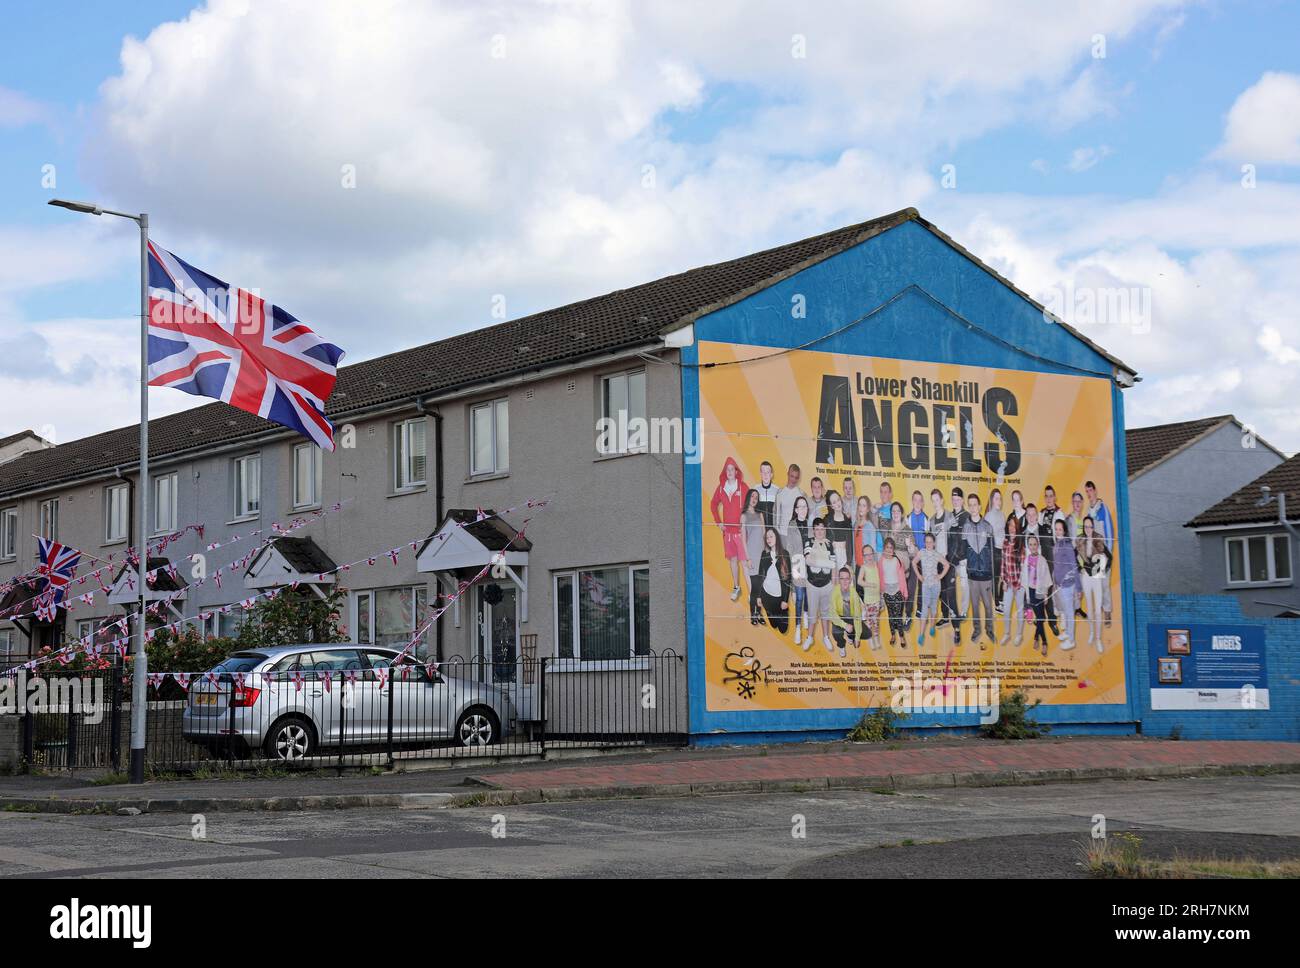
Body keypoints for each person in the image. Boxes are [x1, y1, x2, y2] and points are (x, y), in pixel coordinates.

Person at [709, 457, 748, 601]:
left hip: (740, 532)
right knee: (733, 560)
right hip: (728, 532)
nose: (730, 471)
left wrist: (745, 521)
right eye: (728, 469)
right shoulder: (721, 488)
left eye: (732, 469)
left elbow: (750, 505)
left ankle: (752, 593)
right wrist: (718, 522)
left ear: (736, 471)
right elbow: (713, 504)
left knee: (744, 562)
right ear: (725, 472)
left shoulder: (743, 487)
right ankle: (736, 587)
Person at [962, 492, 996, 648]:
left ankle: (989, 630)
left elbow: (992, 551)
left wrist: (992, 572)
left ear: (980, 506)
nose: (973, 507)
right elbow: (963, 550)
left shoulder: (988, 527)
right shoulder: (965, 527)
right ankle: (976, 630)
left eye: (975, 504)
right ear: (968, 507)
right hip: (972, 575)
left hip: (986, 575)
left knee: (988, 606)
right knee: (975, 605)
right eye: (970, 505)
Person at [1076, 515, 1112, 653]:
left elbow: (1109, 557)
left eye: (1090, 526)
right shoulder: (1080, 539)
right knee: (1089, 608)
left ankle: (1098, 639)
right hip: (1086, 577)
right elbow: (1074, 556)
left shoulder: (1099, 538)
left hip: (1097, 576)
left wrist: (1103, 569)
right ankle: (1092, 632)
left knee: (1097, 610)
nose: (1088, 529)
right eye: (1085, 526)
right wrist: (1080, 569)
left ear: (1093, 526)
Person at [1027, 502, 1060, 637]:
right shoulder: (1023, 532)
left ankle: (1052, 622)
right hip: (1030, 571)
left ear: (1037, 516)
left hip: (1043, 569)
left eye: (1033, 514)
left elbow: (1050, 550)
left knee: (1048, 598)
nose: (1031, 517)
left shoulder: (1044, 530)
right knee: (1034, 597)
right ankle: (1040, 617)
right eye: (1028, 515)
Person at [911, 531, 949, 647]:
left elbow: (946, 565)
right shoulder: (921, 552)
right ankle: (921, 635)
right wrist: (919, 576)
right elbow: (913, 562)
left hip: (936, 586)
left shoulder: (937, 554)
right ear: (924, 543)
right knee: (924, 609)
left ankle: (932, 626)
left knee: (933, 607)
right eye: (926, 542)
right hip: (926, 586)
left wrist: (940, 576)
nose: (928, 544)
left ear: (934, 543)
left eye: (930, 542)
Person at [803, 518, 836, 653]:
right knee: (812, 613)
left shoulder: (829, 545)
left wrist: (833, 583)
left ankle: (826, 637)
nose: (820, 532)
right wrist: (827, 563)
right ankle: (810, 637)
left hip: (827, 585)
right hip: (812, 585)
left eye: (822, 529)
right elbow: (808, 560)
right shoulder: (809, 542)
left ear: (825, 530)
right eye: (817, 529)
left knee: (825, 613)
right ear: (813, 530)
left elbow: (834, 566)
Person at [1085, 480, 1115, 627]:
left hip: (1104, 554)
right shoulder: (1088, 512)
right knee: (1096, 585)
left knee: (1104, 584)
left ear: (1095, 491)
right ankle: (1099, 611)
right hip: (1094, 556)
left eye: (1090, 490)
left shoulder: (1103, 509)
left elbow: (1110, 531)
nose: (1089, 494)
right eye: (1087, 492)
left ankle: (1107, 611)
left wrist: (1108, 553)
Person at [786, 496, 812, 647]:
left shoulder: (810, 525)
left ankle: (807, 614)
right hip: (797, 563)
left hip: (810, 563)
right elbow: (789, 550)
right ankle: (797, 627)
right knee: (799, 596)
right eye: (800, 507)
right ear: (796, 510)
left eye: (805, 506)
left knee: (808, 593)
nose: (803, 509)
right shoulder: (791, 525)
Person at [1051, 518, 1080, 650]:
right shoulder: (1057, 545)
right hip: (1061, 585)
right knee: (1067, 611)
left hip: (1069, 585)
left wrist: (1078, 587)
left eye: (1060, 529)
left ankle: (1072, 640)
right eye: (1056, 529)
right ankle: (1067, 633)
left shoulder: (1067, 545)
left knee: (1069, 612)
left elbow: (1074, 566)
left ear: (1064, 530)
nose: (1058, 531)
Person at [756, 528, 792, 633]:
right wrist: (758, 596)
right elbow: (760, 575)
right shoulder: (764, 554)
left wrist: (785, 600)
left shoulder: (784, 554)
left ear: (777, 537)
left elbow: (788, 578)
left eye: (771, 536)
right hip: (766, 595)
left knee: (783, 629)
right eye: (767, 537)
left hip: (780, 597)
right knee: (773, 624)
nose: (769, 539)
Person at [998, 513, 1026, 646]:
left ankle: (1019, 634)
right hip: (1008, 583)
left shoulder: (1020, 543)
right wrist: (1004, 580)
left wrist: (1019, 583)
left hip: (1019, 584)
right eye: (1010, 525)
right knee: (1007, 609)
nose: (1012, 528)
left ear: (1017, 528)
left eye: (1014, 526)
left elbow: (1024, 566)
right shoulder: (1005, 542)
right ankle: (1006, 633)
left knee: (1020, 610)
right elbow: (1003, 563)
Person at [1023, 534, 1053, 655]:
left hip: (1040, 591)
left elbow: (1046, 578)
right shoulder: (1026, 560)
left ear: (1038, 545)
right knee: (1040, 617)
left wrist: (1045, 595)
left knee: (1040, 618)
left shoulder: (1042, 560)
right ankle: (1044, 641)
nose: (1033, 547)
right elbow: (1024, 579)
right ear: (1028, 546)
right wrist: (1026, 595)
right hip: (1031, 591)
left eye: (1035, 544)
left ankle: (1037, 638)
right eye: (1030, 544)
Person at [878, 537, 910, 649]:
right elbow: (880, 577)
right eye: (887, 547)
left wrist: (904, 593)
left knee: (898, 616)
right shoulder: (881, 561)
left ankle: (901, 636)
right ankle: (892, 635)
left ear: (893, 549)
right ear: (884, 548)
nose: (889, 550)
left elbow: (902, 579)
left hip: (897, 592)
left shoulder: (897, 561)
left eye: (891, 548)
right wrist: (881, 592)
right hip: (887, 592)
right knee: (891, 616)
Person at [740, 488, 766, 624]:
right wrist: (748, 558)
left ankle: (759, 613)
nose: (754, 499)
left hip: (761, 553)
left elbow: (764, 533)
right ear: (748, 498)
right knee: (753, 587)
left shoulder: (760, 515)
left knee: (760, 587)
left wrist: (767, 551)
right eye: (752, 496)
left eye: (756, 497)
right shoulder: (743, 516)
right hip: (751, 554)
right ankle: (754, 614)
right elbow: (743, 539)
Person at [829, 567, 866, 658]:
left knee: (854, 632)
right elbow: (832, 614)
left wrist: (857, 638)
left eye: (847, 578)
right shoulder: (834, 592)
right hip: (839, 617)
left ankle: (850, 636)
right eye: (842, 578)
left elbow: (857, 616)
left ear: (850, 580)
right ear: (839, 580)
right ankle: (841, 646)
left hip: (850, 616)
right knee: (836, 633)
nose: (845, 581)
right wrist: (844, 625)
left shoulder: (854, 594)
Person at [857, 543, 883, 647]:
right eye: (866, 554)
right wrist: (868, 584)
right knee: (869, 621)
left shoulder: (877, 565)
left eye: (870, 554)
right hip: (868, 599)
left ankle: (876, 638)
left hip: (877, 598)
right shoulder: (863, 567)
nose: (869, 556)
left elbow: (881, 578)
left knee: (875, 620)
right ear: (863, 556)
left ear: (873, 554)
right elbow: (859, 581)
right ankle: (870, 639)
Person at [824, 489, 853, 571]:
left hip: (845, 557)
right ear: (831, 506)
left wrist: (849, 563)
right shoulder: (827, 520)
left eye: (838, 500)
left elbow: (850, 544)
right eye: (834, 502)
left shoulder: (847, 520)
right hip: (832, 557)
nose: (837, 503)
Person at [775, 464, 805, 538]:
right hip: (782, 534)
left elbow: (804, 516)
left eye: (796, 477)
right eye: (792, 476)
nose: (793, 480)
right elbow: (776, 516)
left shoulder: (802, 494)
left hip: (797, 534)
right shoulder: (780, 493)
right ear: (788, 474)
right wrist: (777, 533)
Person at [986, 488, 1006, 601]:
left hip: (1003, 551)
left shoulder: (1002, 515)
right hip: (994, 551)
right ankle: (996, 601)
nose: (999, 501)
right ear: (992, 500)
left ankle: (1000, 600)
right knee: (995, 578)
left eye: (1000, 499)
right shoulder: (989, 516)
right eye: (997, 498)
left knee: (1003, 577)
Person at [751, 461, 780, 526]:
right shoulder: (755, 490)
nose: (765, 475)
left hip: (773, 530)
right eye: (763, 472)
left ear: (771, 474)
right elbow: (751, 510)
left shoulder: (778, 490)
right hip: (759, 529)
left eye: (768, 472)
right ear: (760, 474)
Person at [853, 496, 879, 567]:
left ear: (867, 509)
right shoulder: (855, 524)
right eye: (860, 505)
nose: (861, 508)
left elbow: (873, 549)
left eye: (864, 506)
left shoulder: (870, 526)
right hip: (857, 565)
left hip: (867, 566)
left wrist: (872, 566)